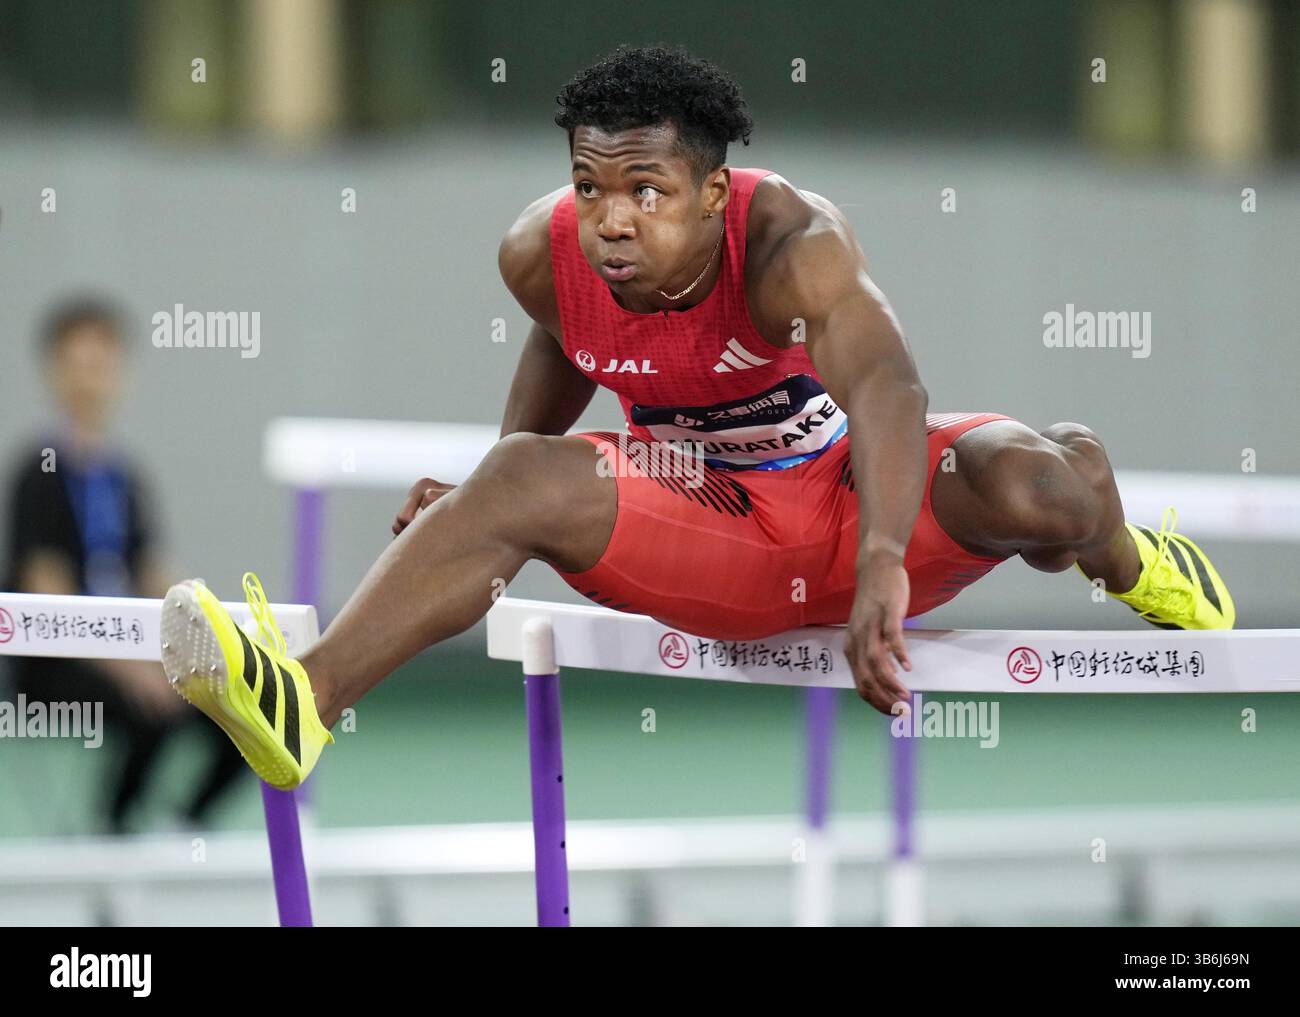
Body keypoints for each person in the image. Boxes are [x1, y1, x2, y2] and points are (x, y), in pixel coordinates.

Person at [157, 45, 1234, 791]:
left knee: (1047, 483)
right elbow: (565, 343)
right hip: (713, 522)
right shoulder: (544, 253)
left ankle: (1128, 559)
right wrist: (487, 492)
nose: (611, 220)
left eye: (646, 191)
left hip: (850, 490)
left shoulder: (790, 243)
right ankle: (302, 704)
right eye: (589, 187)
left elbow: (888, 391)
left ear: (715, 193)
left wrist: (880, 564)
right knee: (525, 475)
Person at [4, 297, 246, 832]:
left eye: (103, 365)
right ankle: (113, 836)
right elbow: (50, 595)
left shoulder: (125, 477)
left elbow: (154, 570)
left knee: (242, 708)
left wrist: (215, 636)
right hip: (55, 661)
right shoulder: (37, 473)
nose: (92, 380)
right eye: (79, 365)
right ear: (55, 372)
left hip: (126, 647)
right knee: (151, 708)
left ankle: (182, 832)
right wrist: (132, 667)